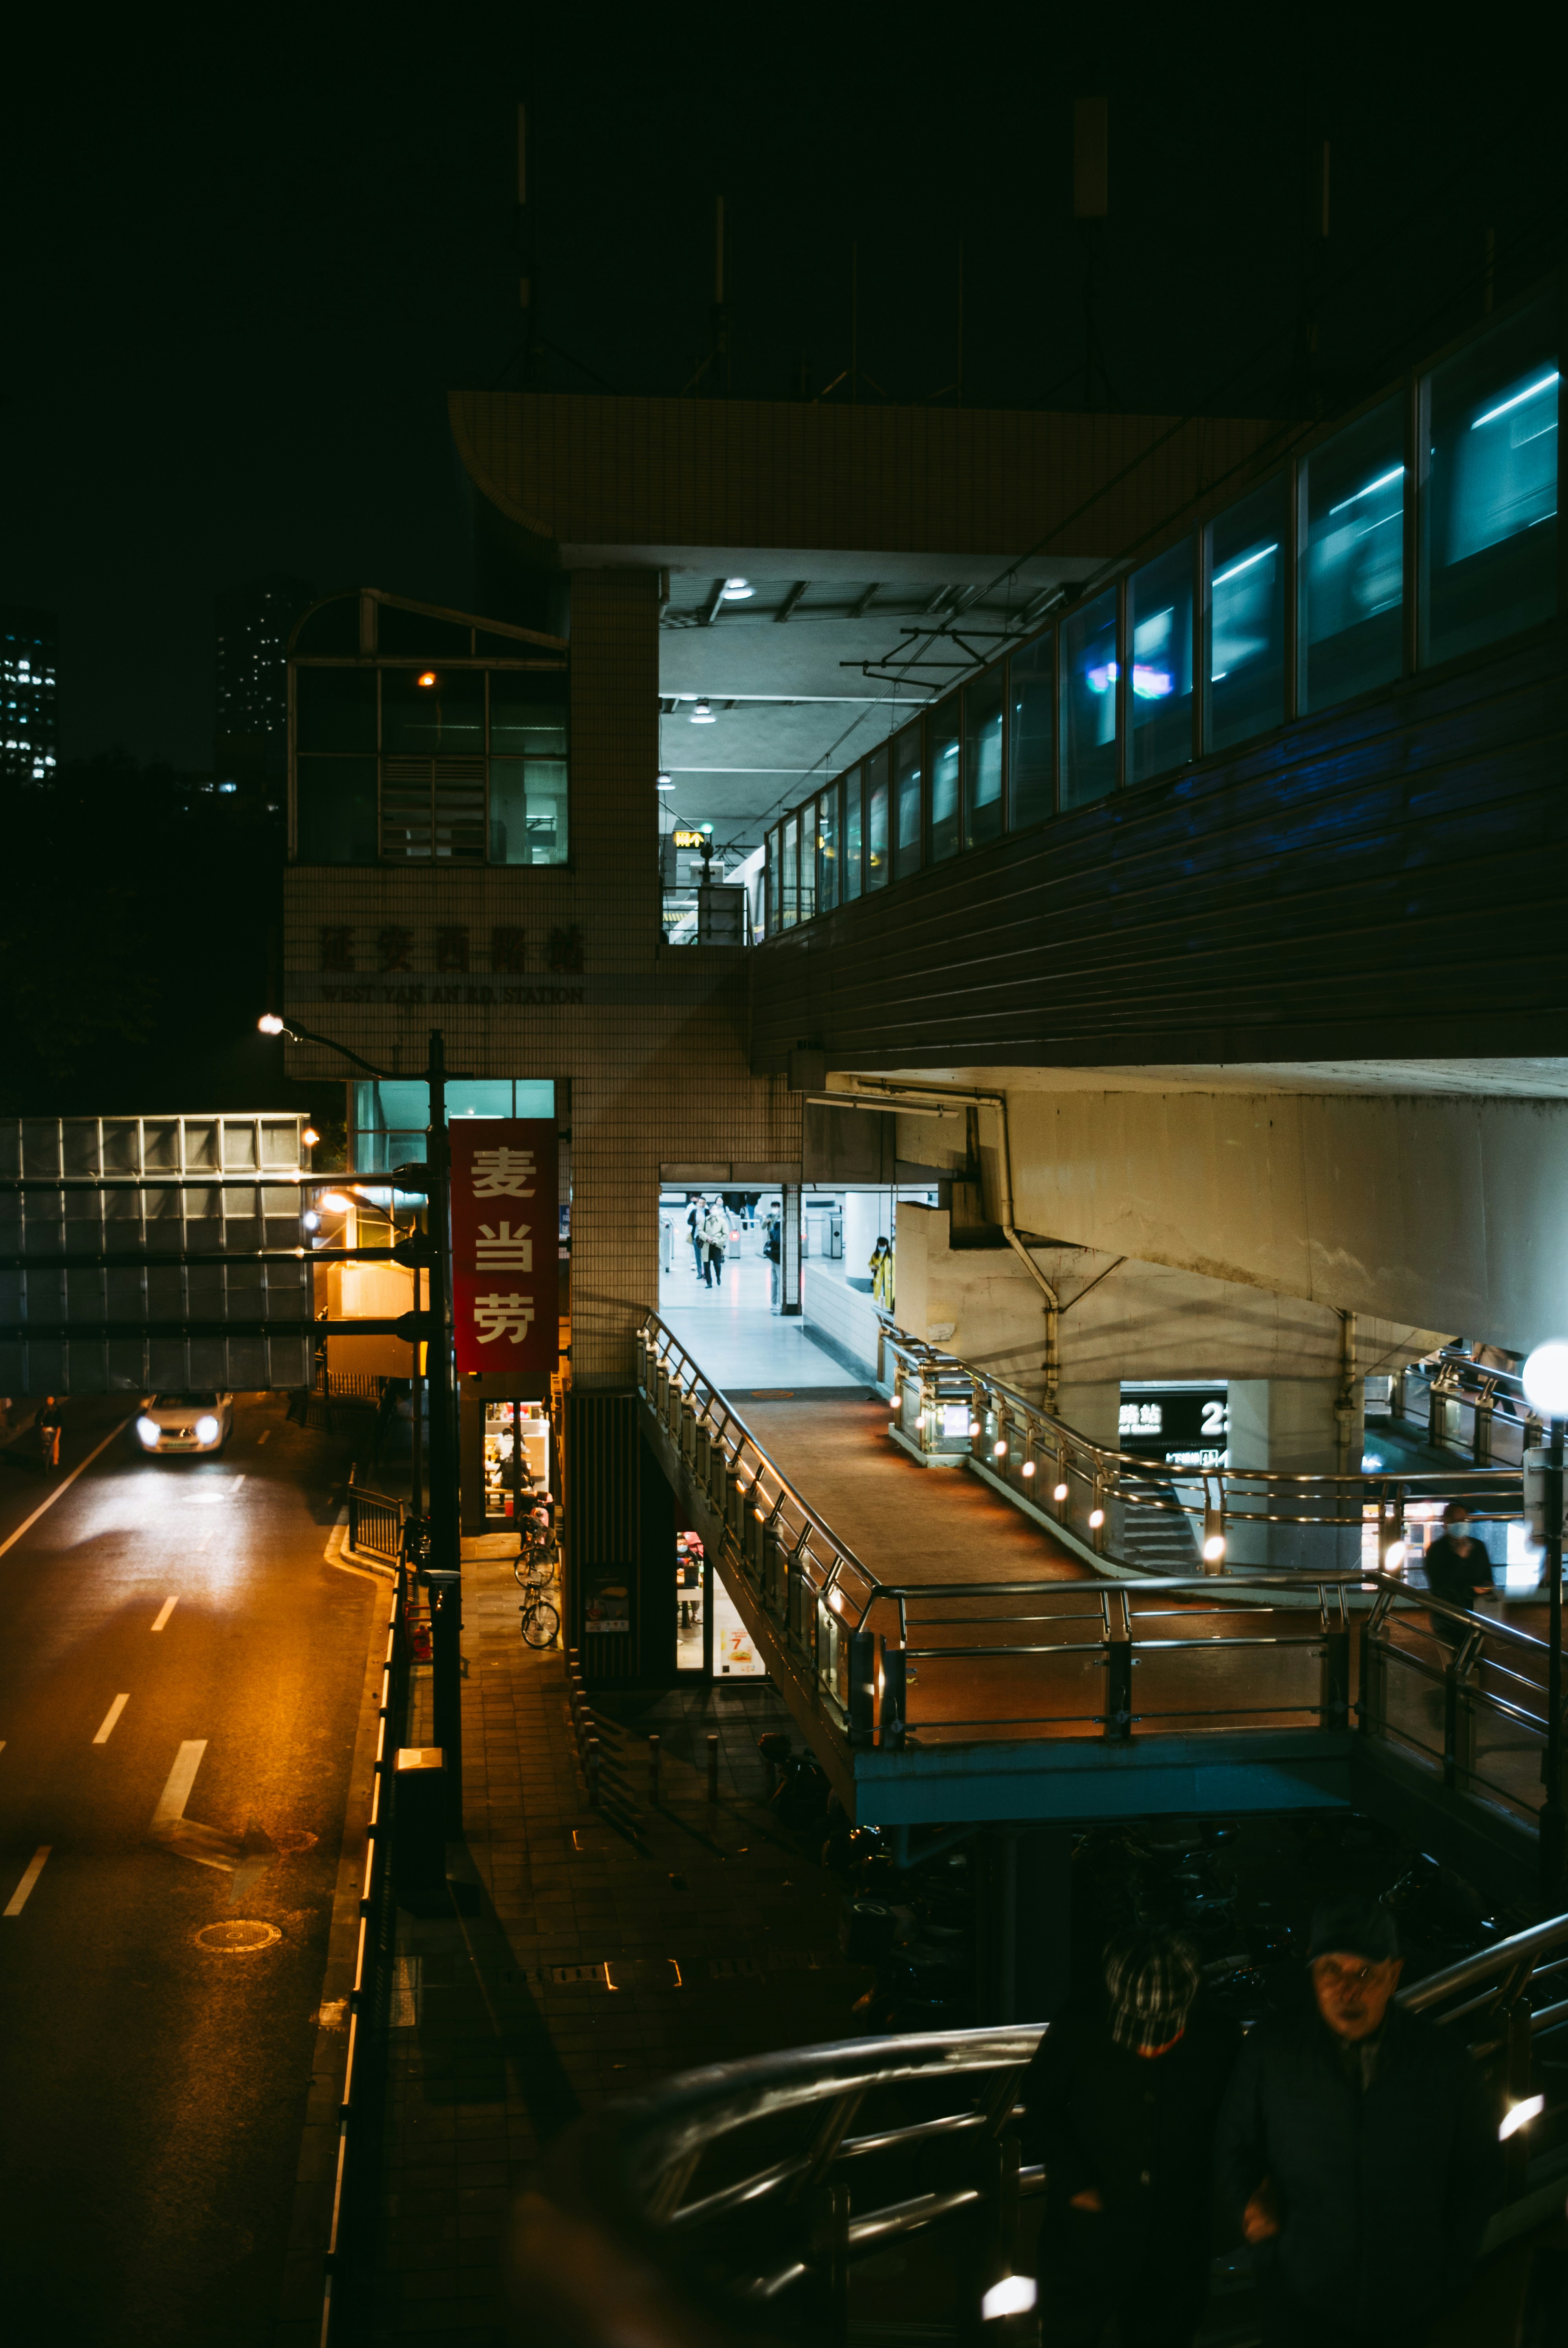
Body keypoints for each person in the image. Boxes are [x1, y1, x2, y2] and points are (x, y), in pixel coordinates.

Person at [1217, 1895, 1501, 2348]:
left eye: (1364, 1973)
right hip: (1298, 2295)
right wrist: (1253, 2216)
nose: (1346, 1989)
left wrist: (1450, 2270)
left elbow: (1477, 2171)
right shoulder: (1271, 2051)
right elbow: (1233, 2145)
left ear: (1393, 1974)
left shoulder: (1442, 2063)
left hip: (1406, 2300)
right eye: (1332, 1970)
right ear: (1312, 1974)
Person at [1022, 1928, 1240, 2348]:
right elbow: (1039, 2105)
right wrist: (1075, 2181)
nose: (1147, 2049)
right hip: (1085, 2238)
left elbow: (1237, 2123)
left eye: (1163, 2036)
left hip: (1177, 2242)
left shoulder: (1218, 2037)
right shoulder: (1078, 2026)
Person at [1423, 1502, 1496, 1647]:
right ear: (1445, 1524)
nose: (1461, 1524)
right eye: (1456, 1521)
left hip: (1476, 1615)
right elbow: (1439, 1585)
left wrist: (1485, 1588)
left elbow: (1488, 1578)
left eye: (1464, 1520)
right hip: (1447, 1620)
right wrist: (1459, 1559)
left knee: (1475, 1658)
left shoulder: (1478, 1547)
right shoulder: (1436, 1551)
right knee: (1454, 1659)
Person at [700, 1200, 728, 1289]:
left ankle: (718, 1277)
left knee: (717, 1265)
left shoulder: (722, 1222)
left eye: (716, 1209)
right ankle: (709, 1283)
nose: (715, 1211)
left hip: (717, 1247)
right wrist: (706, 1238)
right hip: (706, 1246)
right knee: (707, 1265)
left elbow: (726, 1234)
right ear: (710, 1211)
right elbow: (700, 1231)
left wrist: (719, 1242)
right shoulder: (705, 1220)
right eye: (713, 1209)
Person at [36, 1396, 64, 1470]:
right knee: (43, 1438)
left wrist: (57, 1426)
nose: (50, 1401)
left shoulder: (57, 1409)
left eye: (52, 1399)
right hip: (46, 1427)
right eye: (49, 1399)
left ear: (54, 1400)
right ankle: (45, 1449)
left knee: (56, 1442)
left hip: (56, 1427)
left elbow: (61, 1420)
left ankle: (55, 1459)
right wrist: (41, 1425)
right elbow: (38, 1419)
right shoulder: (43, 1409)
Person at [870, 1236, 894, 1310]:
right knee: (880, 1296)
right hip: (879, 1280)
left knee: (889, 1296)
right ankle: (880, 1309)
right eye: (880, 1245)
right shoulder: (875, 1255)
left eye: (883, 1245)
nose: (881, 1247)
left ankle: (889, 1310)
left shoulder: (892, 1255)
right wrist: (876, 1267)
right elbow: (872, 1268)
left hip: (889, 1280)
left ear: (887, 1245)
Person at [685, 1194, 705, 1279]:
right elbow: (689, 1221)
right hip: (696, 1236)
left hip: (706, 1237)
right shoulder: (694, 1212)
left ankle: (706, 1272)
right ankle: (700, 1272)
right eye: (700, 1203)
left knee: (705, 1256)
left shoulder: (708, 1212)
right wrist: (695, 1223)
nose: (702, 1205)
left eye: (703, 1203)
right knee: (698, 1255)